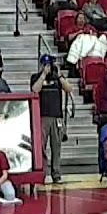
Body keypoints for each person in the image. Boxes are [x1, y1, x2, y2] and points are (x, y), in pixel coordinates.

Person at [32, 55, 72, 184]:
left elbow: (69, 89)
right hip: (42, 116)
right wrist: (43, 75)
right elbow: (35, 90)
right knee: (41, 146)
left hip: (57, 116)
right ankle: (42, 172)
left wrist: (59, 75)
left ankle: (56, 173)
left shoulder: (57, 78)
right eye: (46, 65)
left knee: (56, 146)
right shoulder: (35, 77)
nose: (49, 68)